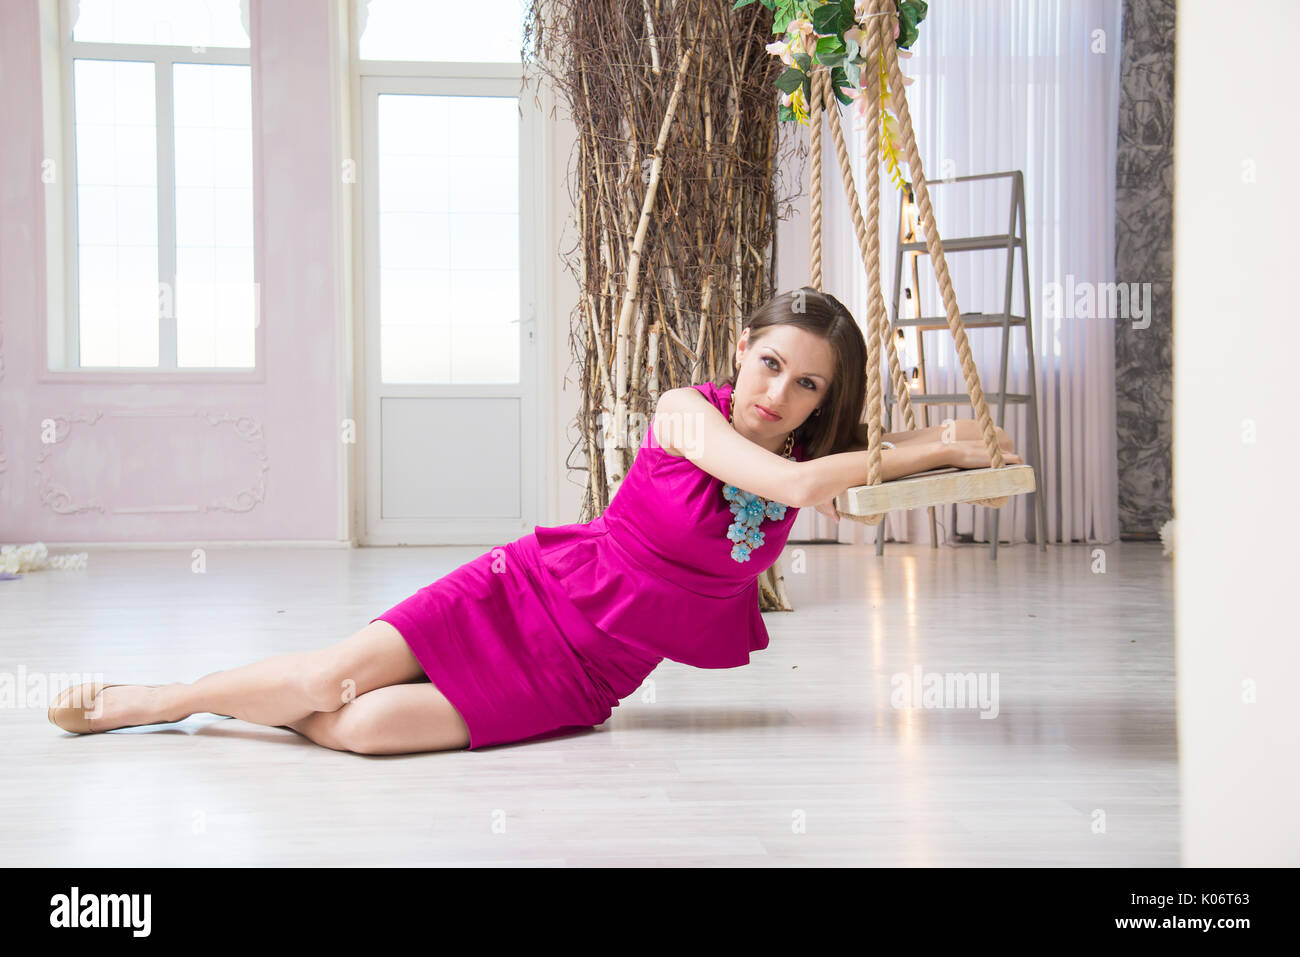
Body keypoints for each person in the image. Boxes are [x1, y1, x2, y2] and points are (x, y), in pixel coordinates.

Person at [48, 288, 1021, 753]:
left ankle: (234, 702)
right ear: (741, 350)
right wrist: (930, 444)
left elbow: (849, 478)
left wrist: (976, 448)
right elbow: (796, 486)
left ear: (823, 402)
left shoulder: (818, 456)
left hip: (589, 670)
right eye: (771, 363)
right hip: (528, 590)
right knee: (322, 677)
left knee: (363, 729)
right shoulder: (688, 413)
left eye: (808, 385)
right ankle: (161, 699)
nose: (781, 390)